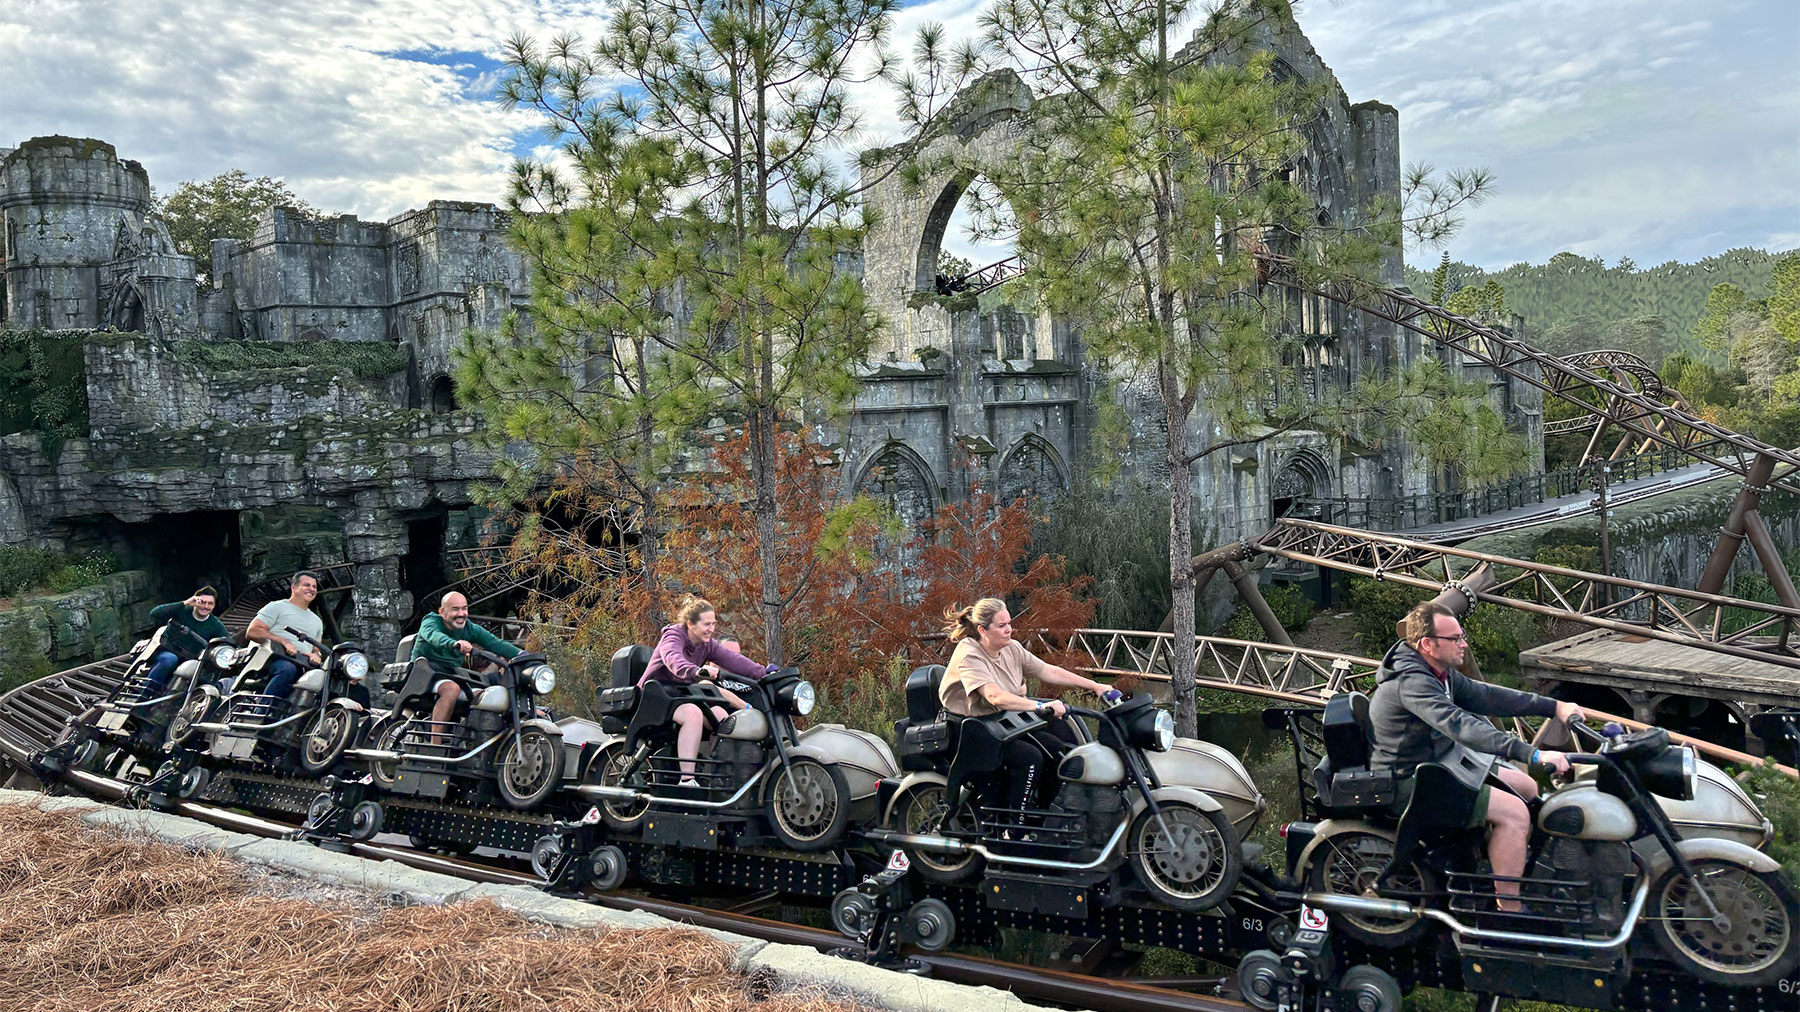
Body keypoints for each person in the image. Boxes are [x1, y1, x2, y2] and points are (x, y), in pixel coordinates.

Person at [1369, 601, 1584, 911]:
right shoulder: (1412, 682)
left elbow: (1486, 696)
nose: (1464, 644)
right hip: (1408, 781)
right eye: (1455, 638)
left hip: (1440, 765)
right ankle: (1508, 908)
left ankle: (1494, 862)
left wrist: (1552, 707)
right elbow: (1461, 726)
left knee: (1527, 787)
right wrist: (1531, 754)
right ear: (1428, 644)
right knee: (1514, 814)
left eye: (1461, 635)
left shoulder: (1438, 672)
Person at [938, 597, 1110, 817]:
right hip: (969, 731)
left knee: (1057, 750)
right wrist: (1037, 705)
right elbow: (994, 696)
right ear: (982, 630)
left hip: (1001, 724)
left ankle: (1047, 818)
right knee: (1030, 758)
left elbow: (1048, 671)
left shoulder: (1011, 648)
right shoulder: (970, 654)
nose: (1009, 630)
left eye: (1009, 623)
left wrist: (1094, 685)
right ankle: (1016, 827)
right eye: (1002, 626)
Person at [639, 597, 771, 785]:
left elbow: (734, 660)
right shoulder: (673, 636)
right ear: (691, 624)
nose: (712, 629)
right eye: (707, 624)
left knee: (721, 716)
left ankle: (716, 775)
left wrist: (765, 673)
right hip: (656, 695)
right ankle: (687, 780)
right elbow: (673, 659)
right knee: (693, 715)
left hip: (681, 695)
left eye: (713, 624)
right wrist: (695, 670)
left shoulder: (707, 644)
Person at [411, 591, 522, 735]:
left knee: (484, 695)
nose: (462, 613)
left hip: (451, 674)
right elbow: (433, 636)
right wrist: (453, 643)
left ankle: (471, 740)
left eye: (464, 608)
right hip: (424, 671)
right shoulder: (431, 621)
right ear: (442, 611)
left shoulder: (469, 628)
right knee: (451, 689)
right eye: (455, 609)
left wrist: (523, 655)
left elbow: (496, 643)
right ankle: (436, 743)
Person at [245, 570, 326, 702]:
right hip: (272, 659)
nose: (311, 589)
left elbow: (316, 648)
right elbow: (253, 631)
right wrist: (283, 641)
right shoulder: (276, 607)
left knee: (328, 679)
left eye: (314, 587)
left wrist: (316, 655)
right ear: (294, 587)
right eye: (307, 585)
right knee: (287, 669)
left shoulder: (317, 621)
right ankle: (261, 714)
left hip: (302, 663)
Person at [139, 586, 230, 696]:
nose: (206, 606)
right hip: (167, 650)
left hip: (190, 658)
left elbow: (227, 640)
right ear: (195, 601)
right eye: (202, 602)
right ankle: (144, 695)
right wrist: (185, 603)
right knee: (169, 660)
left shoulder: (215, 624)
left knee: (205, 675)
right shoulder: (183, 611)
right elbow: (155, 613)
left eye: (210, 603)